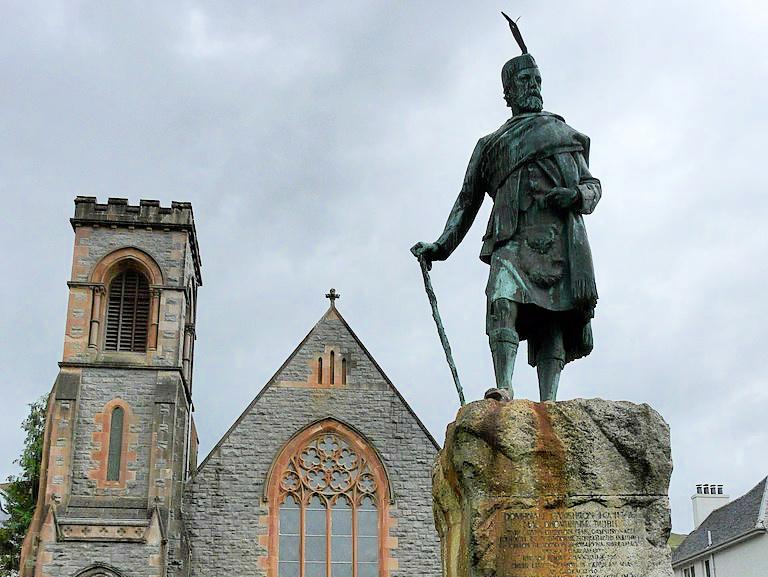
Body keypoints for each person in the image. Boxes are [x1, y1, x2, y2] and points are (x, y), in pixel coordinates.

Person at [411, 52, 600, 401]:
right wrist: (441, 246)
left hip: (555, 239)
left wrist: (574, 194)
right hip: (510, 240)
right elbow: (467, 201)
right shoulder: (491, 146)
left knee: (551, 323)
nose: (534, 88)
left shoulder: (561, 134)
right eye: (526, 82)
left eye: (537, 81)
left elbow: (592, 186)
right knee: (500, 300)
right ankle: (504, 386)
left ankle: (550, 402)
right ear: (508, 93)